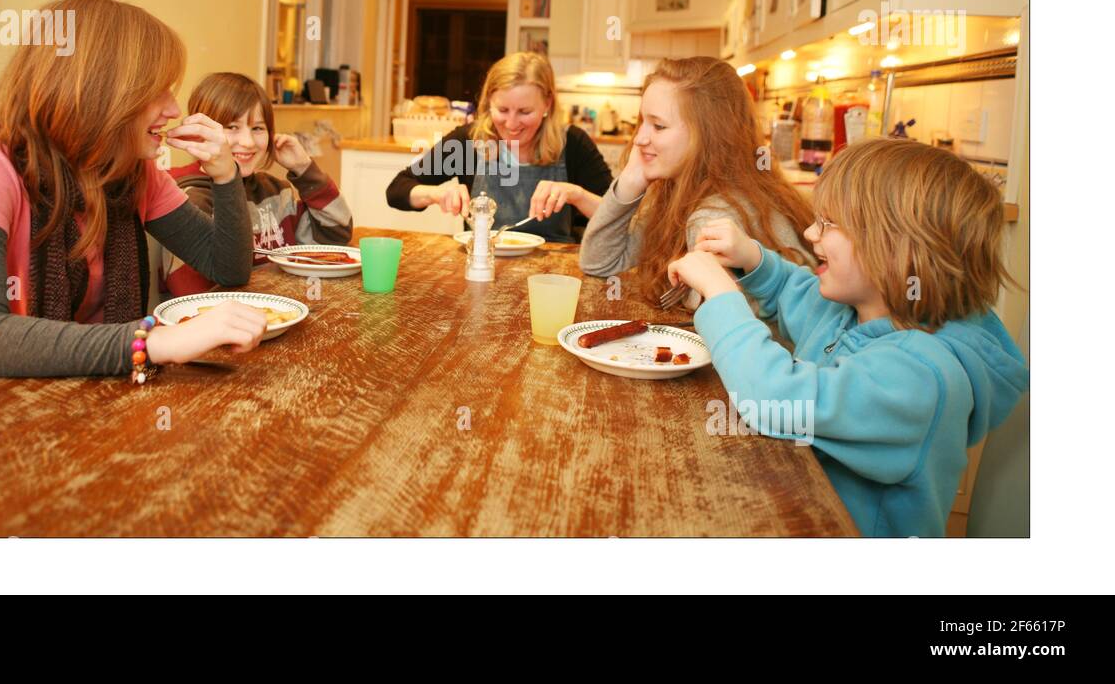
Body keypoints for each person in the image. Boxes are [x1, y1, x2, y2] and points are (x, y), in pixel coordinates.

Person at [0, 0, 266, 409]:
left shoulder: (132, 172)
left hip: (84, 399)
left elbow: (227, 266)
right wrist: (150, 340)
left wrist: (225, 174)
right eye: (158, 91)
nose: (173, 108)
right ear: (101, 91)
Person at [669, 139, 1028, 537]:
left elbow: (775, 399)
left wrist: (723, 297)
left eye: (828, 223)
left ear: (896, 248)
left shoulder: (921, 377)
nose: (810, 233)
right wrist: (752, 258)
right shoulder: (854, 308)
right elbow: (795, 291)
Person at [580, 57, 815, 308]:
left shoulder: (711, 216)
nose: (639, 138)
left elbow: (724, 326)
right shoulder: (680, 192)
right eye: (642, 122)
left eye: (658, 126)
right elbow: (598, 261)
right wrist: (629, 182)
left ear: (708, 135)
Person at [385, 52, 612, 243]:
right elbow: (396, 191)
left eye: (525, 112)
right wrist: (436, 194)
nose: (512, 124)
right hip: (483, 264)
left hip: (552, 275)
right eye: (502, 110)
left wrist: (577, 195)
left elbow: (616, 217)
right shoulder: (468, 141)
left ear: (547, 104)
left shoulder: (573, 143)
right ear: (488, 102)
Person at [162, 72, 353, 296]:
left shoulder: (277, 192)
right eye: (232, 127)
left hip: (283, 312)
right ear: (201, 132)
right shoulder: (189, 199)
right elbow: (192, 294)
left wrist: (304, 169)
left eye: (258, 128)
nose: (248, 142)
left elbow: (336, 235)